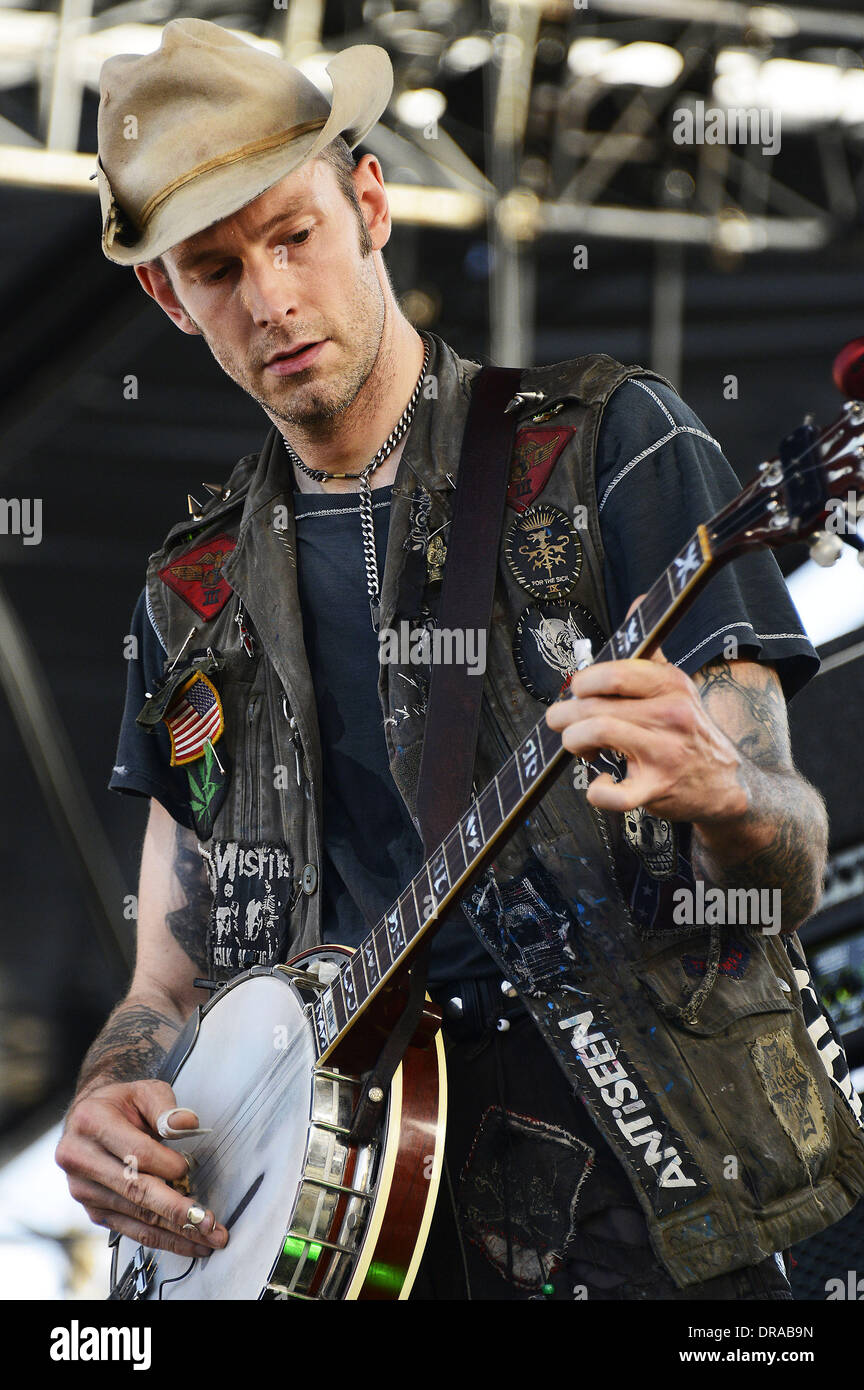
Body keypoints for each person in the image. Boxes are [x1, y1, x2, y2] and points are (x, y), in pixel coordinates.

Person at [56, 18, 864, 1301]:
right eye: (215, 268)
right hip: (358, 1234)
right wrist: (108, 1096)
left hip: (649, 1212)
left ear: (369, 204)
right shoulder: (187, 592)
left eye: (293, 235)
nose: (269, 300)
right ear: (167, 296)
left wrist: (724, 796)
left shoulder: (612, 443)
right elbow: (171, 971)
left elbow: (790, 862)